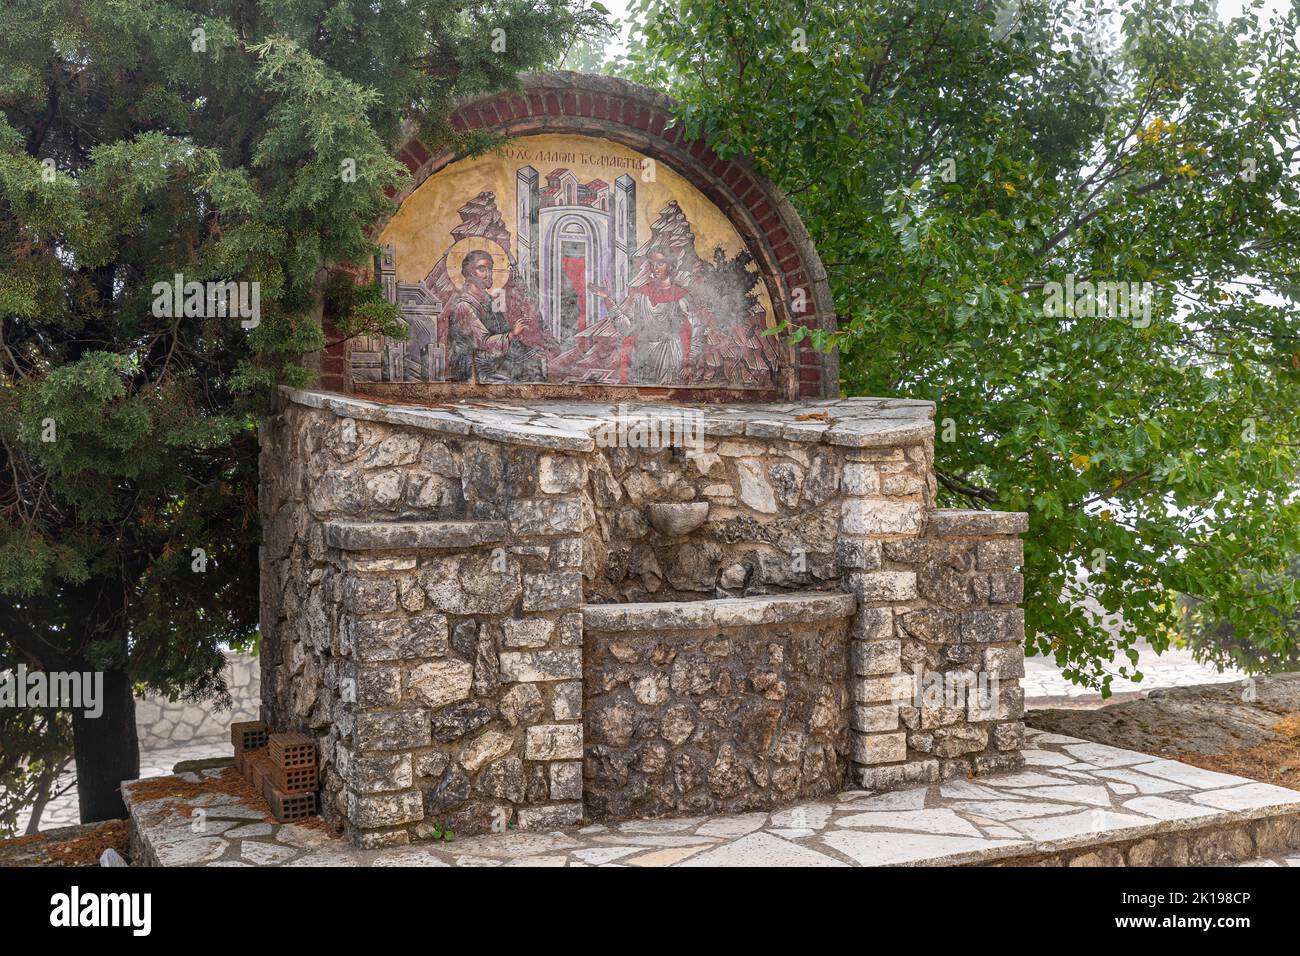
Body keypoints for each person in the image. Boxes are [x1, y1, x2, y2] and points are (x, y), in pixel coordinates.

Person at [590, 250, 693, 385]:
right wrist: (607, 299)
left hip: (668, 356)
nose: (655, 268)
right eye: (652, 263)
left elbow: (691, 331)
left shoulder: (680, 295)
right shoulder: (640, 295)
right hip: (643, 356)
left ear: (670, 265)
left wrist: (688, 362)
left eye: (660, 263)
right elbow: (627, 328)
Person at [445, 250, 543, 382]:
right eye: (482, 269)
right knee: (515, 381)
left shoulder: (488, 300)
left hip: (493, 358)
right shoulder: (464, 305)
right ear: (469, 273)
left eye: (490, 269)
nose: (488, 274)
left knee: (534, 366)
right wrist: (512, 334)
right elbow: (482, 342)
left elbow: (504, 331)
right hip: (475, 367)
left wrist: (529, 353)